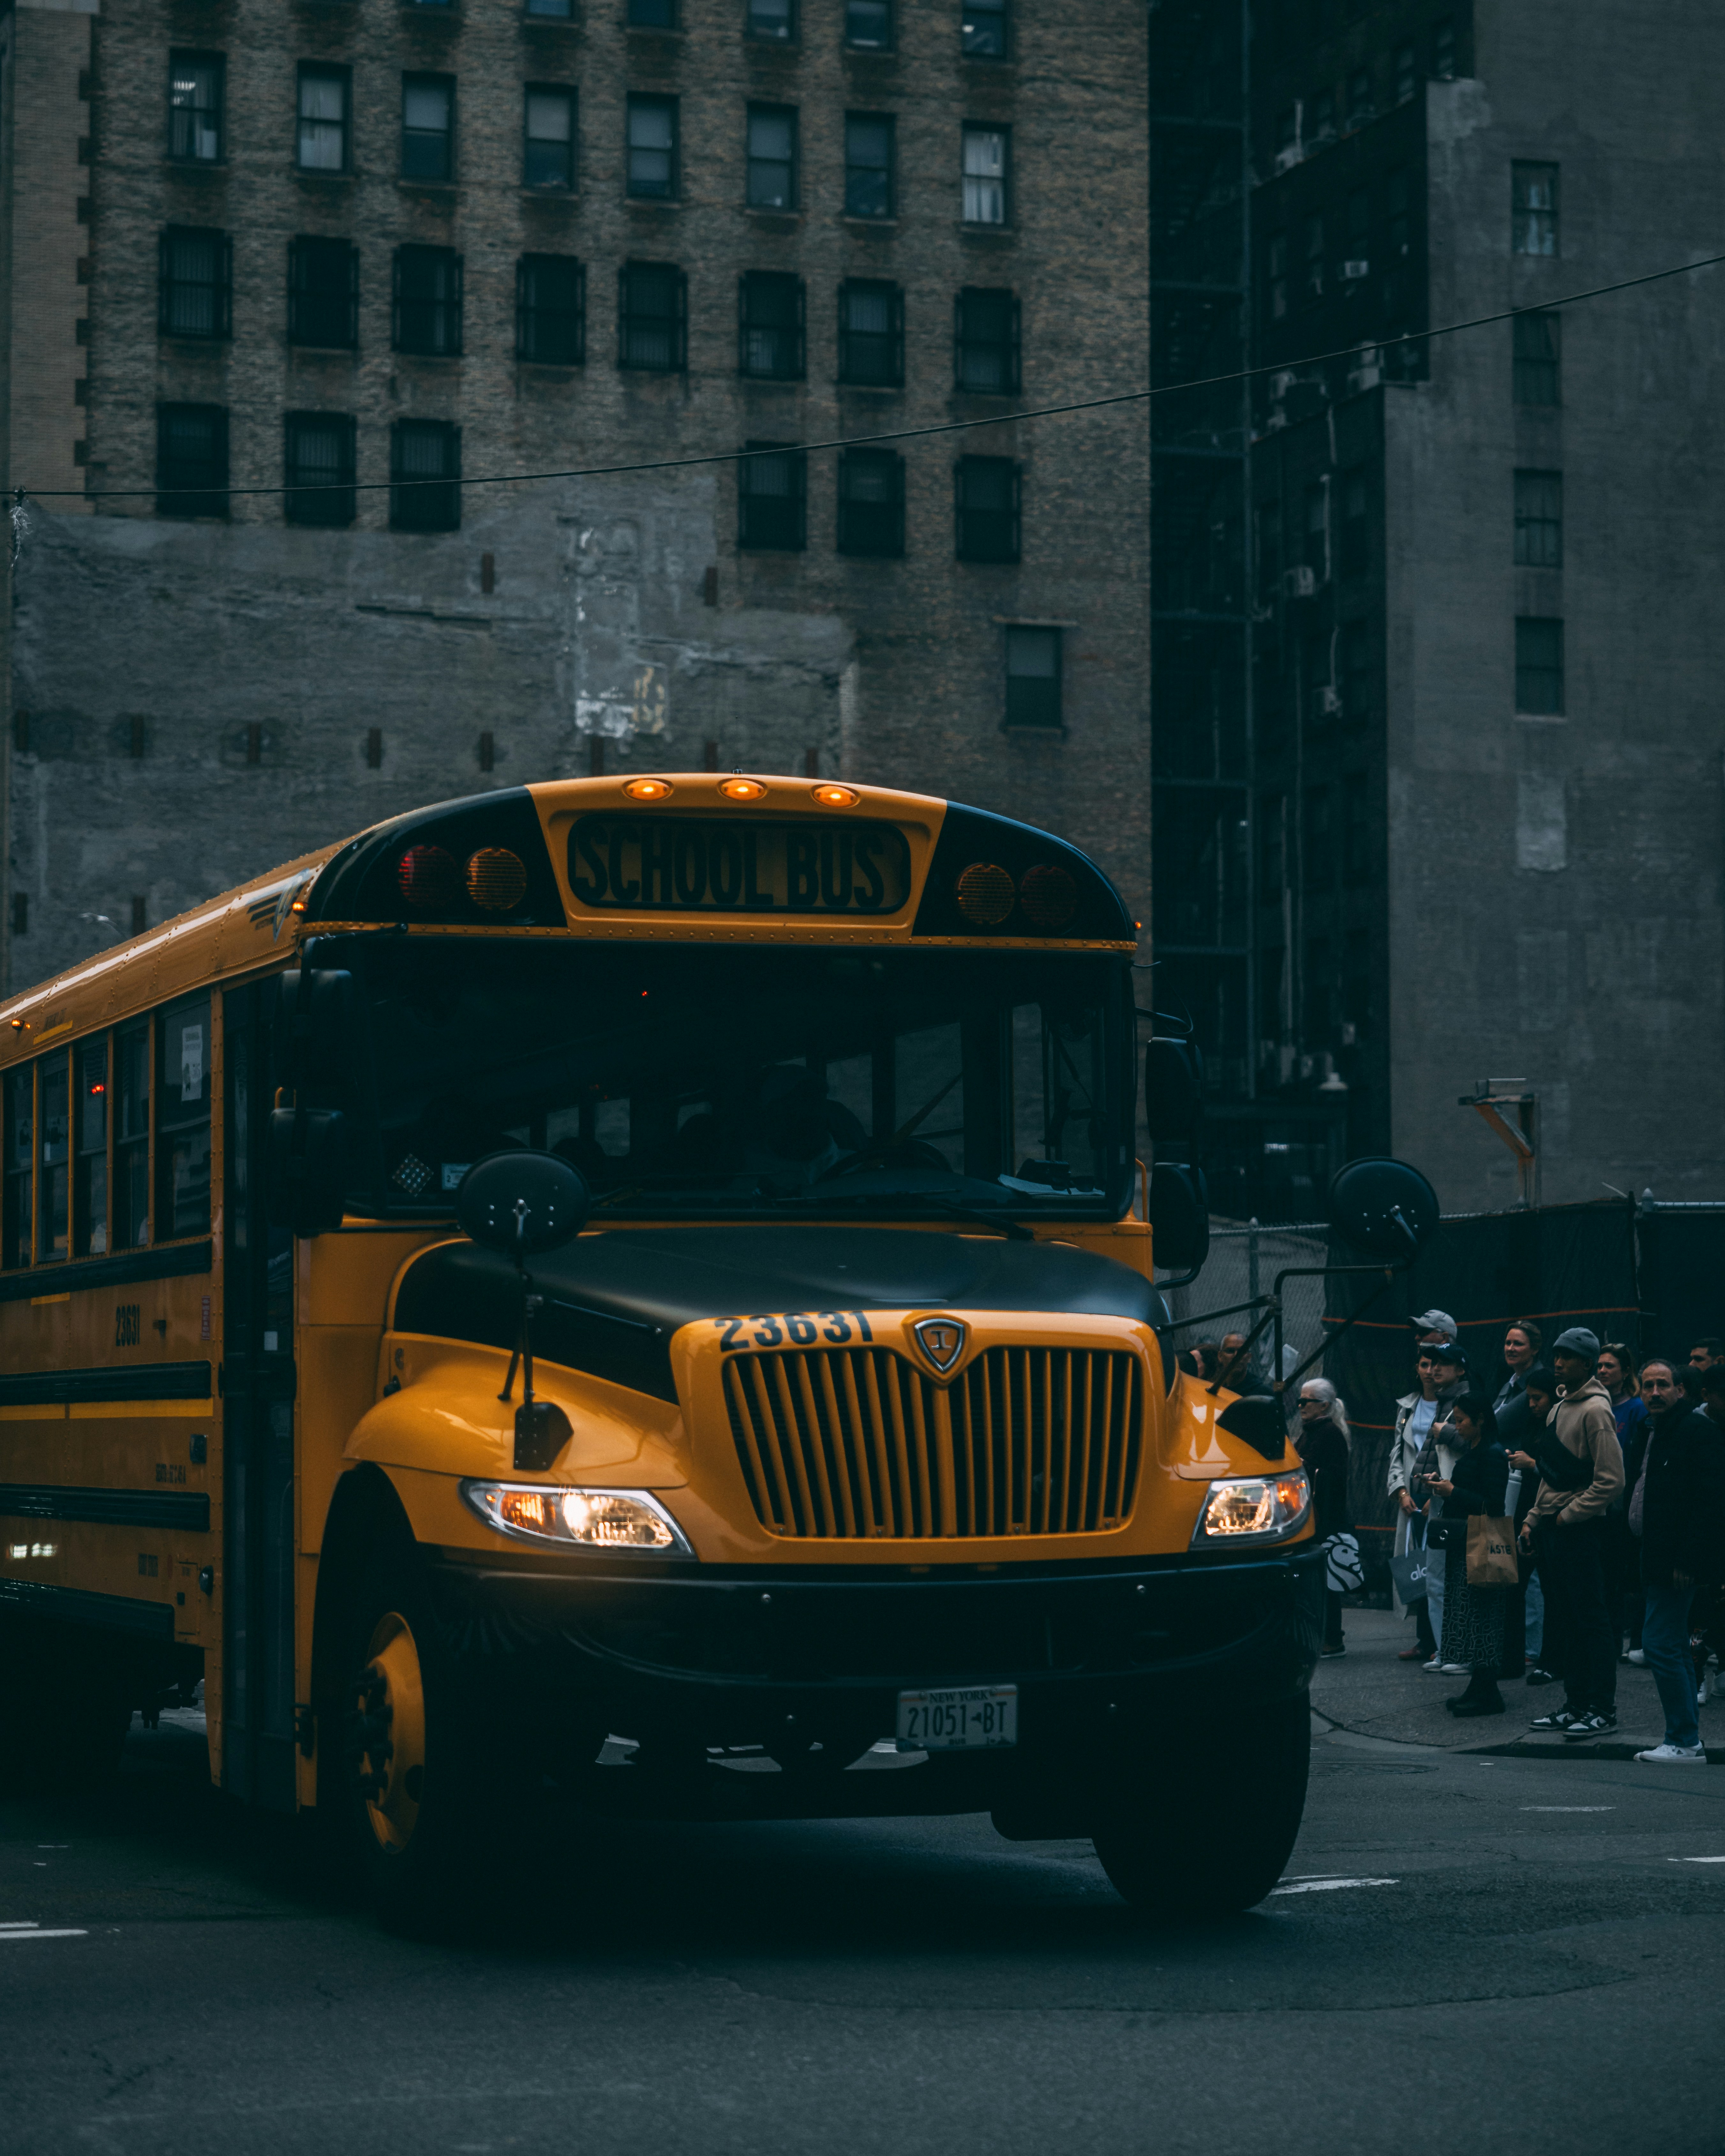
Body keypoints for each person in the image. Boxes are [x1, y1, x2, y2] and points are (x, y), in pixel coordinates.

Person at [1523, 1328, 1625, 1741]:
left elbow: (1610, 1480)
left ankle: (1601, 1707)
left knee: (1591, 1620)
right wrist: (1533, 1519)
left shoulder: (1596, 1412)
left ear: (1587, 1362)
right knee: (1566, 1618)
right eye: (1557, 1355)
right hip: (1552, 1529)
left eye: (1568, 1356)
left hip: (1581, 1531)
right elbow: (1548, 1478)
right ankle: (1575, 1703)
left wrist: (1568, 1516)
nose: (1559, 1363)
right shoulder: (1559, 1407)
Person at [1630, 1357, 1725, 1762]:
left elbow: (1708, 1502)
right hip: (1656, 1557)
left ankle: (1684, 1738)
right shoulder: (1655, 1430)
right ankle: (1686, 1738)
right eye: (1648, 1385)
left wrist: (1689, 1560)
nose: (1655, 1392)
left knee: (1659, 1642)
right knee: (1672, 1645)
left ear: (1680, 1390)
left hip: (1677, 1563)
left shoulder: (1696, 1431)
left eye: (1663, 1385)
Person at [1423, 1393, 1511, 1716]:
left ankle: (1487, 1690)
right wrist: (1443, 1488)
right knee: (1471, 1615)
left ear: (1481, 1419)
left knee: (1482, 1616)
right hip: (1467, 1541)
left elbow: (1493, 1504)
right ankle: (1480, 1687)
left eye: (1461, 1420)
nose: (1456, 1426)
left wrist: (1453, 1491)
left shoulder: (1492, 1453)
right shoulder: (1478, 1449)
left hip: (1483, 1543)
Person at [1410, 1342, 1470, 1667]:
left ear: (1460, 1368)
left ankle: (1459, 1650)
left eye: (1444, 1363)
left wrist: (1446, 1430)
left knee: (1455, 1578)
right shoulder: (1441, 1402)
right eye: (1432, 1363)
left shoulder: (1465, 1400)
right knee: (1434, 1578)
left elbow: (1474, 1440)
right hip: (1436, 1497)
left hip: (1458, 1501)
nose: (1434, 1369)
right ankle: (1445, 1648)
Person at [1387, 1345, 1447, 1660]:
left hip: (1438, 1493)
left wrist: (1434, 1494)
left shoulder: (1452, 1405)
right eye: (1424, 1364)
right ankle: (1425, 1640)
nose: (1429, 1370)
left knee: (1439, 1569)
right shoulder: (1407, 1408)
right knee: (1418, 1567)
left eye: (1434, 1365)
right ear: (1417, 1368)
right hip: (1412, 1498)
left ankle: (1442, 1641)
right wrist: (1400, 1491)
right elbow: (1397, 1453)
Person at [1506, 1365, 1558, 1682]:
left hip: (1549, 1515)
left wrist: (1533, 1464)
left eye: (1538, 1398)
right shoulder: (1533, 1422)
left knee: (1551, 1589)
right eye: (1529, 1398)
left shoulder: (1560, 1425)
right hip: (1526, 1511)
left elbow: (1565, 1472)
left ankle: (1548, 1657)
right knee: (1516, 1586)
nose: (1532, 1404)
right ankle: (1512, 1656)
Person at [1597, 1343, 1648, 1663]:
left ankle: (1623, 1641)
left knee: (1620, 1579)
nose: (1602, 1371)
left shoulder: (1636, 1409)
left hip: (1623, 1504)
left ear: (1625, 1371)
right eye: (1599, 1365)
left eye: (1610, 1366)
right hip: (1598, 1504)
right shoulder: (1595, 1406)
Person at [1297, 1378, 1352, 1658]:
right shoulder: (1313, 1431)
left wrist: (1305, 1467)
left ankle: (1333, 1638)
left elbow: (1332, 1477)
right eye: (1301, 1400)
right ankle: (1325, 1636)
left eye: (1307, 1401)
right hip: (1317, 1517)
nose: (1301, 1406)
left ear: (1324, 1406)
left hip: (1325, 1519)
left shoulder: (1328, 1433)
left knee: (1328, 1580)